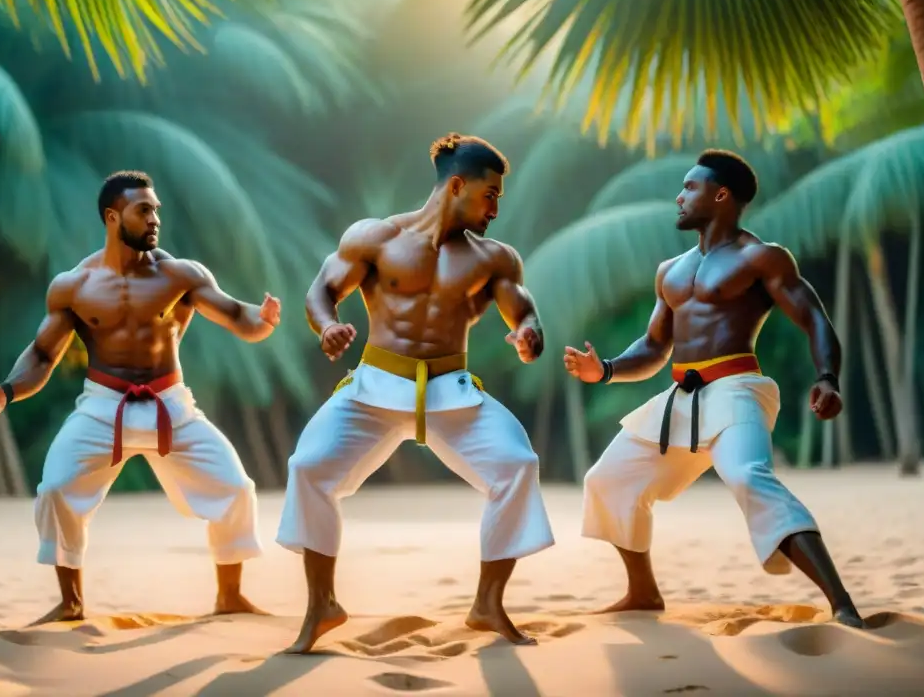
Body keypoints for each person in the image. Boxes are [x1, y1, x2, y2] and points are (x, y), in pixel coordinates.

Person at [276, 133, 555, 654]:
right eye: (490, 194)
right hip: (375, 388)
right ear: (456, 185)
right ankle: (322, 604)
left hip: (451, 391)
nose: (497, 206)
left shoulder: (495, 258)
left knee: (517, 463)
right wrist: (326, 326)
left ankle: (487, 604)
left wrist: (529, 335)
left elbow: (525, 311)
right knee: (308, 467)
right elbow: (321, 290)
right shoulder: (376, 238)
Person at [563, 149, 864, 628]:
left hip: (735, 390)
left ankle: (844, 605)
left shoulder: (760, 257)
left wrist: (828, 377)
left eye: (690, 187)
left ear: (721, 195)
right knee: (607, 479)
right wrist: (605, 370)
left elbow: (814, 319)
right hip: (680, 400)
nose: (679, 196)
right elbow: (654, 346)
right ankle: (642, 593)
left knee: (748, 477)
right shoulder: (671, 270)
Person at [0, 170, 280, 625]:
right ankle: (70, 601)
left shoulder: (180, 275)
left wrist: (265, 319)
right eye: (144, 210)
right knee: (56, 489)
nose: (155, 218)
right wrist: (7, 392)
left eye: (156, 209)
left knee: (235, 488)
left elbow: (238, 315)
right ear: (113, 217)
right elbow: (41, 355)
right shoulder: (74, 285)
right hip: (102, 406)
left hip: (169, 403)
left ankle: (229, 596)